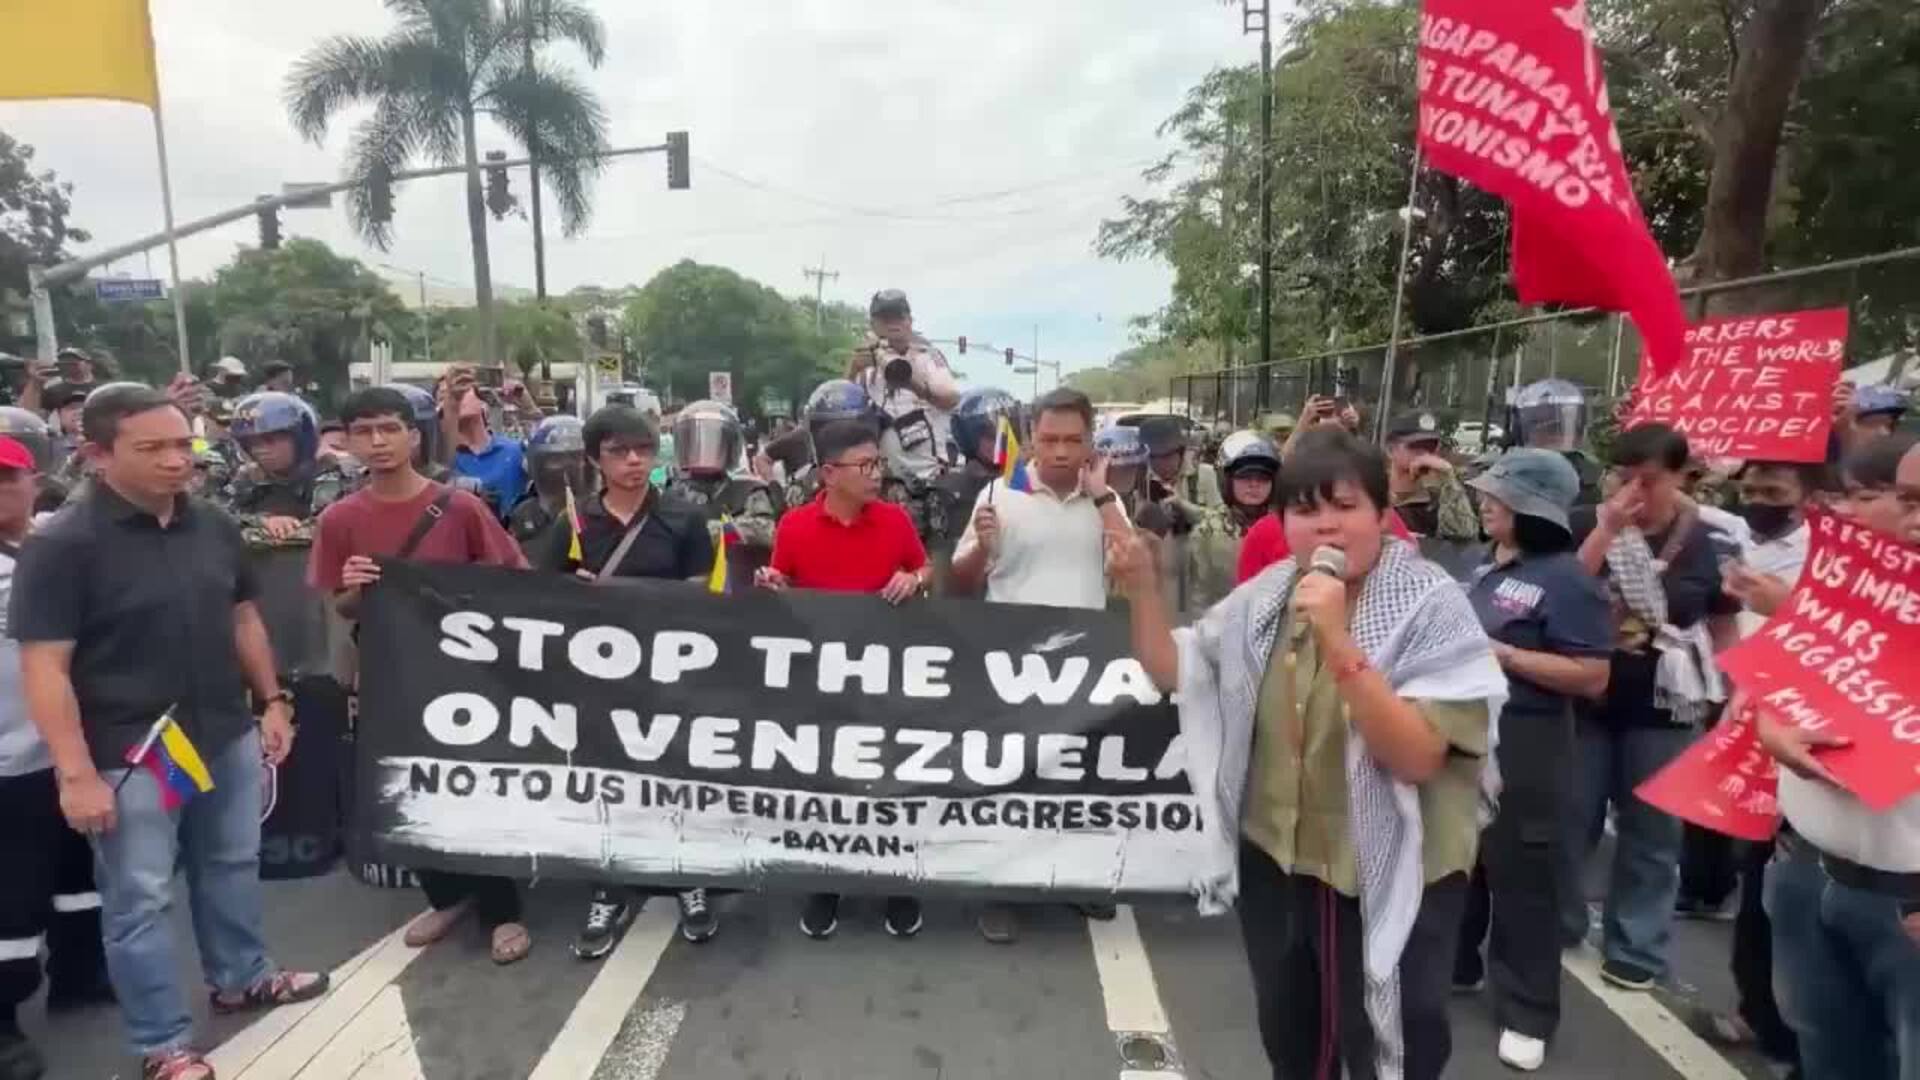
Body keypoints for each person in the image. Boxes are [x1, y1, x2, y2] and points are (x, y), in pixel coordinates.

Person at [1110, 426, 1505, 1080]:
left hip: (1387, 865)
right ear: (1283, 522)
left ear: (1383, 514)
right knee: (1292, 1040)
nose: (1326, 526)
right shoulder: (1264, 599)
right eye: (1305, 509)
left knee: (1391, 1046)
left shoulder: (1432, 607)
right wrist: (1143, 590)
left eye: (1345, 506)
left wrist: (1338, 638)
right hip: (1278, 860)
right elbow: (1174, 671)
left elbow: (1416, 759)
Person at [11, 384, 327, 1080]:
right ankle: (163, 1043)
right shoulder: (62, 544)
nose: (176, 460)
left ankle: (242, 977)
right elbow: (45, 667)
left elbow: (243, 618)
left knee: (231, 864)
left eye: (184, 444)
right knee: (142, 898)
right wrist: (75, 772)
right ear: (97, 454)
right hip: (130, 749)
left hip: (221, 730)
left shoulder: (212, 523)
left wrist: (272, 701)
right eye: (152, 448)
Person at [307, 387, 533, 968]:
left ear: (414, 435)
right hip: (391, 672)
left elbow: (512, 578)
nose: (378, 442)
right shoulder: (339, 519)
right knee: (412, 786)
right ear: (347, 441)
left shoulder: (460, 507)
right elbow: (342, 606)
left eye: (389, 428)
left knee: (475, 785)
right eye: (363, 431)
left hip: (467, 671)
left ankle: (502, 909)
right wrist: (358, 590)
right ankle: (447, 895)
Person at [1753, 435, 1920, 1080]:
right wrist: (1776, 734)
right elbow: (1778, 691)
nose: (1912, 519)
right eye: (1908, 500)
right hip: (1808, 867)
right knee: (1828, 1052)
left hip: (1906, 900)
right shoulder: (1845, 589)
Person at [949, 389, 1131, 943]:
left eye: (1073, 440)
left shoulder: (1103, 499)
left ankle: (1075, 879)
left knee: (1076, 779)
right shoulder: (997, 494)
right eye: (1049, 439)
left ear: (1090, 441)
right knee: (1010, 780)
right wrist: (982, 547)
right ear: (1031, 438)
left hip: (1083, 667)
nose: (1060, 452)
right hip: (1012, 667)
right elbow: (961, 582)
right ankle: (1001, 892)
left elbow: (1131, 567)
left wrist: (1104, 500)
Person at [1450, 450, 1612, 1072]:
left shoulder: (1567, 579)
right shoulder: (1481, 565)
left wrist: (1507, 655)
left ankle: (1527, 1013)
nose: (1485, 501)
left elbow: (1591, 675)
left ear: (1533, 507)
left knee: (1524, 882)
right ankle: (1457, 965)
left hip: (1529, 749)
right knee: (1461, 864)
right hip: (1466, 741)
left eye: (1499, 495)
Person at [541, 405, 724, 955]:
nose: (634, 461)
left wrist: (626, 594)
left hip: (672, 674)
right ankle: (610, 886)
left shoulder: (685, 518)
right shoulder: (573, 524)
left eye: (643, 449)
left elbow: (706, 594)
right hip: (598, 680)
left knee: (677, 778)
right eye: (619, 451)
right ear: (595, 459)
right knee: (609, 784)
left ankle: (688, 876)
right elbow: (540, 600)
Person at [1563, 422, 1735, 990]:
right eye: (1625, 477)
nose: (1635, 491)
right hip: (1588, 698)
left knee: (1653, 833)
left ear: (1681, 477)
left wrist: (1729, 694)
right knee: (1571, 821)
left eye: (1650, 480)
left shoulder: (1709, 539)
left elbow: (1722, 619)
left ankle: (1636, 948)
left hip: (1666, 706)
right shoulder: (1587, 522)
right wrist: (1607, 531)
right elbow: (1565, 591)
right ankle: (1560, 922)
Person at [758, 419, 933, 941]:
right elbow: (784, 584)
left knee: (890, 783)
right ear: (829, 474)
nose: (876, 474)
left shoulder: (896, 521)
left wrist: (914, 578)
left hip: (888, 678)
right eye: (866, 465)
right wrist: (773, 584)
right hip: (822, 681)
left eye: (878, 463)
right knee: (829, 786)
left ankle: (897, 881)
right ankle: (827, 882)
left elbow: (925, 569)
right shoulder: (794, 526)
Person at [1686, 459, 1825, 1075]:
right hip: (1751, 716)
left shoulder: (1831, 558)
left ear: (1810, 497)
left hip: (1816, 743)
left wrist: (1790, 607)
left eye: (1774, 491)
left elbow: (1851, 649)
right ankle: (1759, 1014)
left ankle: (1794, 1040)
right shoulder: (1731, 535)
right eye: (1750, 489)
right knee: (1760, 892)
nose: (1759, 501)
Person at [0, 435, 111, 1080]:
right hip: (6, 760)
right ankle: (1, 1021)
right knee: (12, 898)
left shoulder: (58, 544)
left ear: (32, 481)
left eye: (4, 476)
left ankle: (80, 973)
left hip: (72, 747)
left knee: (81, 874)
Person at [848, 289, 960, 491]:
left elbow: (951, 399)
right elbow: (842, 412)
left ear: (909, 321)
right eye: (885, 318)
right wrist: (853, 369)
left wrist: (913, 383)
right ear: (873, 324)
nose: (893, 323)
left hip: (929, 478)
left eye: (899, 316)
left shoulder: (928, 357)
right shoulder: (864, 365)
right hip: (884, 483)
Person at [667, 400, 780, 583]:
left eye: (713, 440)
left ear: (729, 445)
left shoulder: (749, 489)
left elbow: (766, 531)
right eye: (695, 439)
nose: (704, 448)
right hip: (683, 586)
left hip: (734, 583)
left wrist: (708, 532)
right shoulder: (671, 491)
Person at [219, 391, 349, 547]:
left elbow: (324, 528)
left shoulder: (330, 473)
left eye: (271, 440)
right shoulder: (250, 477)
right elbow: (216, 518)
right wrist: (263, 521)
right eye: (252, 443)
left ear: (301, 438)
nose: (261, 450)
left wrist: (280, 529)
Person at [1187, 432, 1280, 613]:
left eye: (1263, 478)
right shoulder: (1207, 531)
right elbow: (1200, 597)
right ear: (1226, 480)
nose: (1254, 484)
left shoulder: (1286, 527)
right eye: (1245, 476)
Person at [440, 366, 526, 520]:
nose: (457, 397)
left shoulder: (514, 450)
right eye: (445, 396)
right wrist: (452, 407)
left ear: (483, 400)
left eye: (464, 389)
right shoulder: (443, 459)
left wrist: (525, 402)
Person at [1384, 412, 1479, 542]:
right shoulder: (1372, 491)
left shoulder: (1439, 498)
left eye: (1430, 447)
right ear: (1390, 450)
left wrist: (1448, 478)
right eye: (1415, 446)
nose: (1424, 453)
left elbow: (1465, 537)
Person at [1510, 378, 1601, 504]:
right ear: (1523, 432)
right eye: (1547, 430)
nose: (1556, 438)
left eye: (1561, 428)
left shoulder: (1595, 476)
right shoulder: (1508, 475)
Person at [507, 415, 588, 554]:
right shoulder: (524, 512)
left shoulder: (599, 515)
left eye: (574, 458)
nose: (565, 467)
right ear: (538, 463)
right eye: (556, 459)